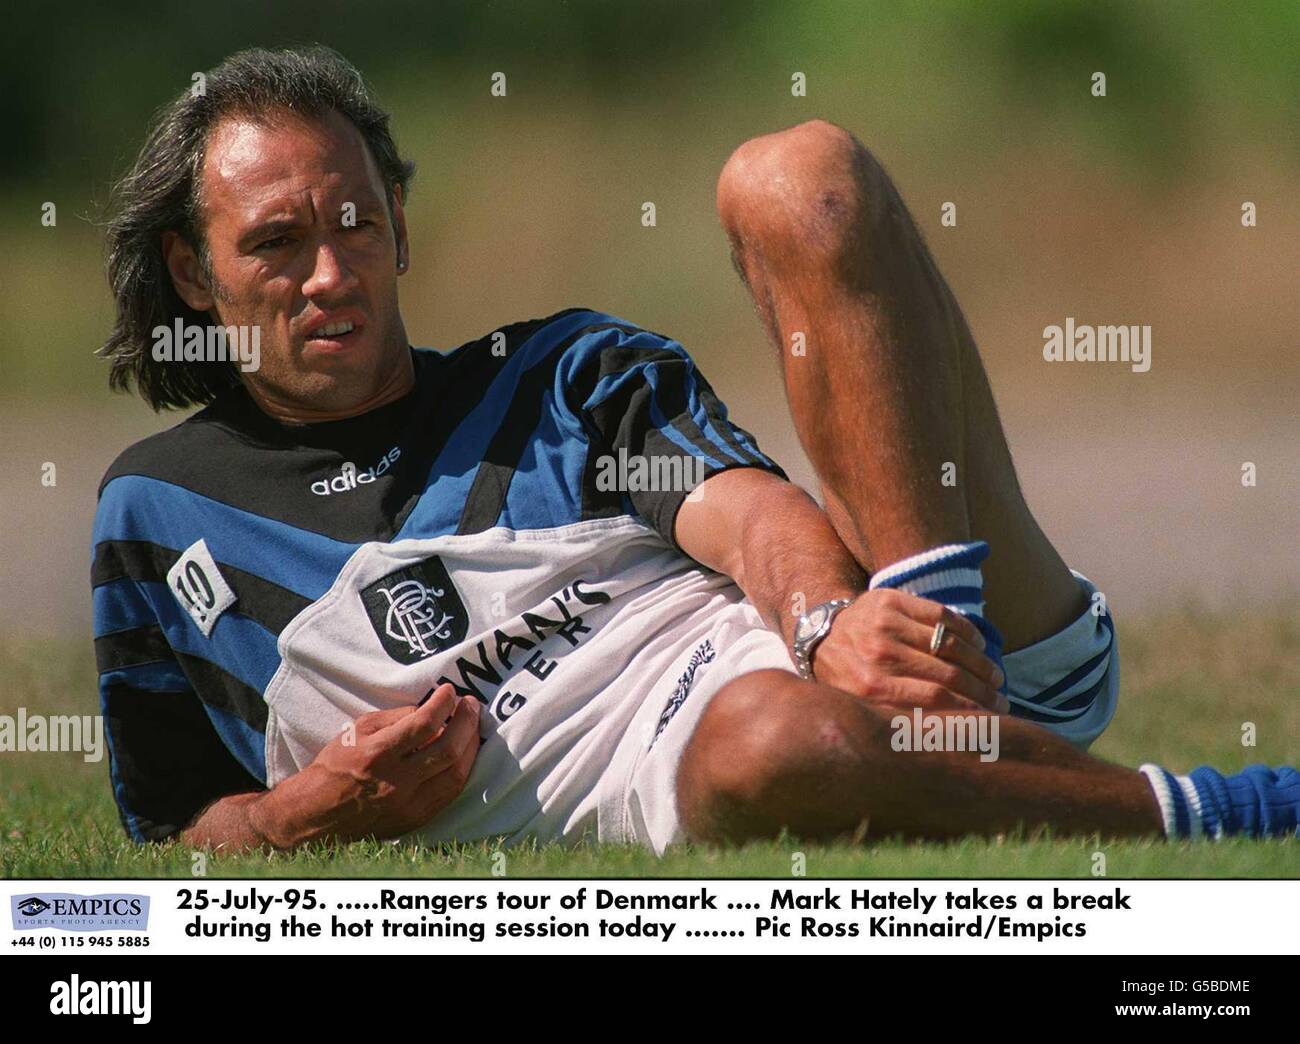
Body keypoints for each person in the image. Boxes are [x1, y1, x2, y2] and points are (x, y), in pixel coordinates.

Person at [93, 47, 1296, 853]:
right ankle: (1222, 808)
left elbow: (747, 515)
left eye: (357, 222)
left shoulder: (558, 371)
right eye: (276, 243)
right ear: (195, 273)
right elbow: (178, 832)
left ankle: (944, 685)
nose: (328, 273)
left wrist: (835, 624)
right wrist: (318, 807)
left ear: (399, 222)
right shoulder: (156, 515)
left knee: (791, 176)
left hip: (905, 642)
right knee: (779, 742)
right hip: (740, 738)